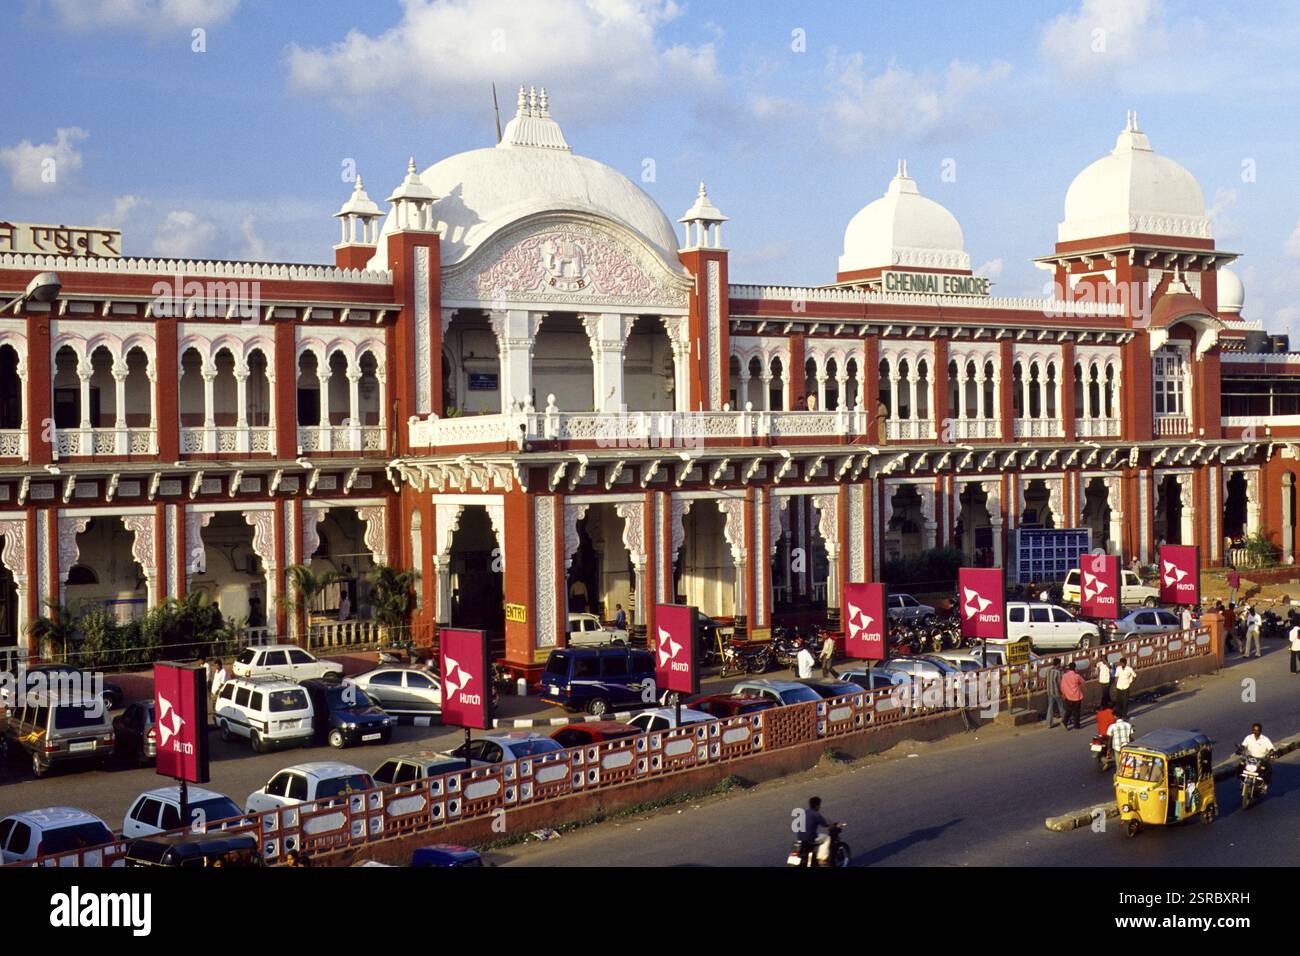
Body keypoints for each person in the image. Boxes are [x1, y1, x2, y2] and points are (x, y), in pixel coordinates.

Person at [795, 796, 831, 867]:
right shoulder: (816, 814)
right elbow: (825, 824)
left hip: (800, 838)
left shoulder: (804, 812)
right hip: (810, 839)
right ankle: (822, 859)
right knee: (827, 838)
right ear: (817, 806)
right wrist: (833, 825)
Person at [1240, 723, 1276, 788]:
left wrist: (1271, 752)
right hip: (1250, 758)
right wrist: (1241, 749)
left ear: (1260, 731)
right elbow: (1243, 745)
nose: (1256, 732)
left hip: (1261, 759)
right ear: (1252, 730)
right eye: (1254, 730)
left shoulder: (1265, 739)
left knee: (1268, 769)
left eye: (1258, 730)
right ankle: (1241, 780)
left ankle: (1265, 784)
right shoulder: (1249, 738)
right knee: (1240, 765)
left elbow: (1271, 748)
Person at [1060, 663, 1085, 730]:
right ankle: (1076, 725)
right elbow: (1082, 682)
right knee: (1077, 711)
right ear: (1075, 668)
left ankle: (1064, 722)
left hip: (1068, 696)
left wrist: (1063, 694)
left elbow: (1062, 686)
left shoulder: (1064, 676)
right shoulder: (1076, 676)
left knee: (1069, 710)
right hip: (1076, 696)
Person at [1041, 657, 1064, 729]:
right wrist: (1062, 692)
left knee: (1050, 707)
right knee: (1061, 706)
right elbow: (1059, 683)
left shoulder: (1048, 671)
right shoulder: (1058, 672)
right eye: (1059, 664)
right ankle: (1065, 720)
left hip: (1049, 692)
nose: (1060, 665)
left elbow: (1046, 680)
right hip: (1056, 692)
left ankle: (1049, 724)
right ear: (1058, 664)